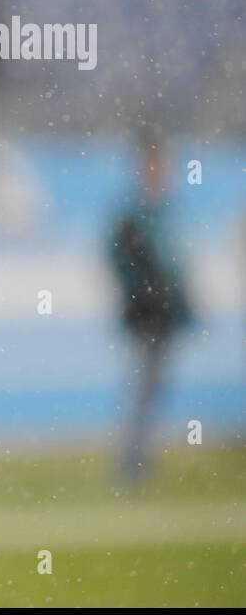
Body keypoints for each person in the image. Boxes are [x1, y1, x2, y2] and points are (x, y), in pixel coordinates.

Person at [108, 131, 192, 483]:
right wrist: (143, 295)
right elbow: (124, 261)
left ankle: (138, 459)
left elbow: (174, 267)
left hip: (161, 313)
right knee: (145, 388)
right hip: (148, 314)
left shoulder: (161, 211)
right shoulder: (137, 214)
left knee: (150, 388)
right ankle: (134, 462)